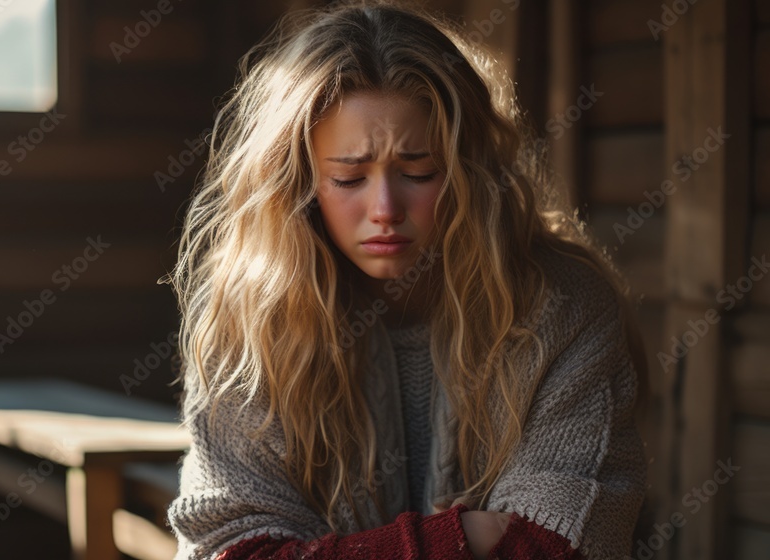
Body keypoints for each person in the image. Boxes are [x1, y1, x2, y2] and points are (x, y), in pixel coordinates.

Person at [162, 1, 649, 558]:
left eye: (420, 172)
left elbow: (566, 545)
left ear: (471, 172)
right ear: (298, 183)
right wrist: (464, 537)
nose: (386, 208)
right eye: (349, 178)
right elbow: (228, 550)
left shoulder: (565, 308)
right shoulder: (249, 323)